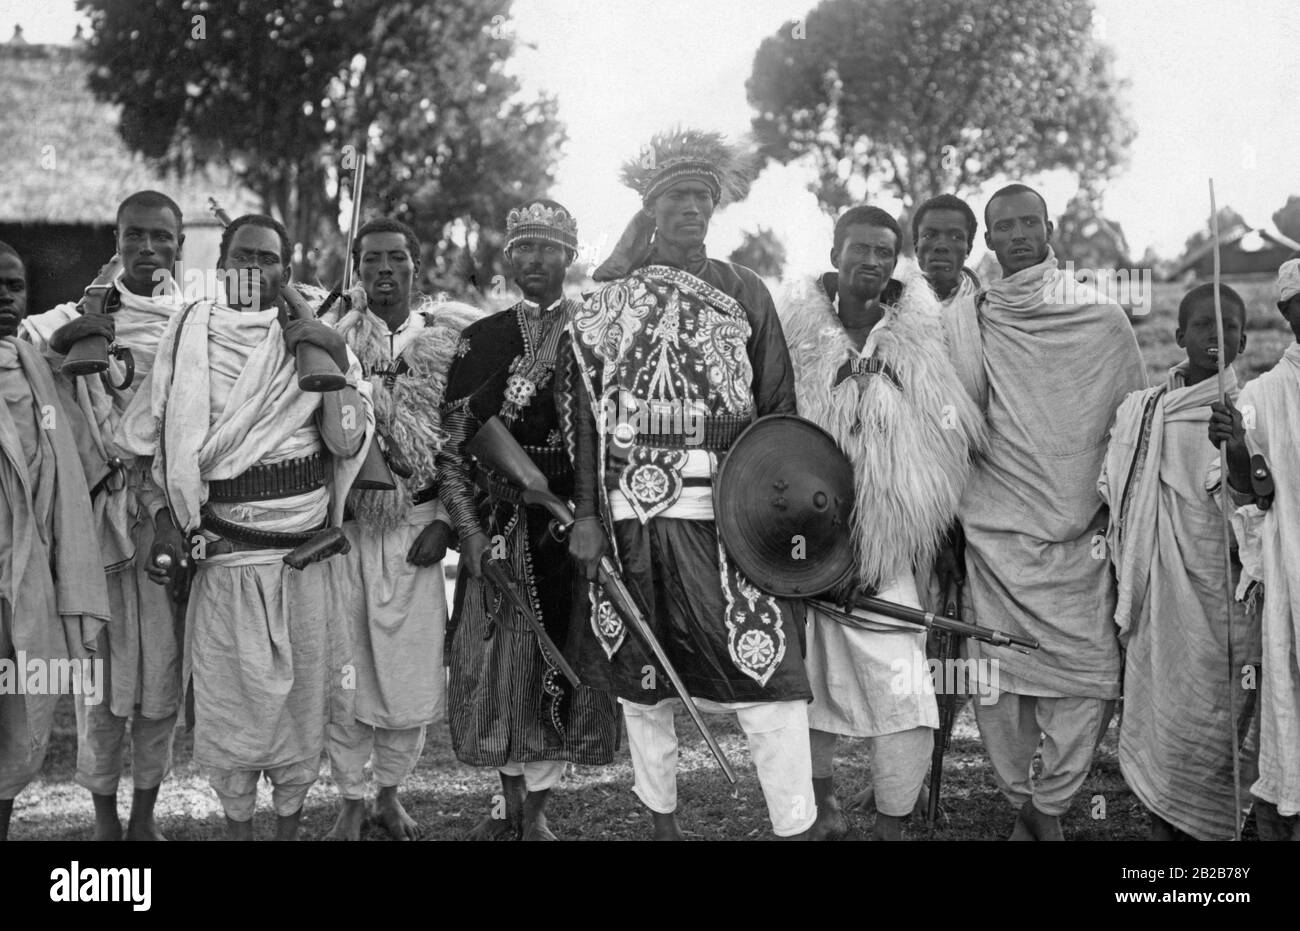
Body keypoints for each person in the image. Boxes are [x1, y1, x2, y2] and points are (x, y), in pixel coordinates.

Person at [567, 129, 816, 840]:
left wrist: (780, 510)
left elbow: (778, 407)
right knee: (644, 682)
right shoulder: (614, 297)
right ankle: (661, 825)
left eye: (703, 198)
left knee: (770, 674)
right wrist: (586, 512)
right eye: (677, 197)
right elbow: (584, 408)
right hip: (629, 509)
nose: (693, 209)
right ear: (651, 207)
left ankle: (794, 825)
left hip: (729, 505)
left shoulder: (744, 289)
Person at [115, 214, 372, 840]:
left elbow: (345, 440)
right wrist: (169, 526)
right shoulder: (189, 332)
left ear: (287, 269)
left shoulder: (317, 338)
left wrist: (332, 354)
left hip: (305, 562)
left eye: (267, 258)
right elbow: (156, 446)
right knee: (232, 714)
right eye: (241, 256)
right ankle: (237, 832)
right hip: (226, 561)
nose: (253, 269)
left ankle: (285, 830)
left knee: (301, 708)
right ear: (221, 263)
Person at [776, 205, 984, 840]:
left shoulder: (920, 334)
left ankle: (894, 822)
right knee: (802, 688)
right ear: (836, 251)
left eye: (885, 252)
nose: (872, 261)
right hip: (804, 549)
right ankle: (820, 806)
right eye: (860, 248)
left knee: (907, 697)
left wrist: (919, 518)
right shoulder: (795, 329)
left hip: (889, 549)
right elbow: (772, 426)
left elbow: (950, 435)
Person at [949, 183, 1146, 840]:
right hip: (996, 535)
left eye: (1029, 222)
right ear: (989, 238)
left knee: (1087, 679)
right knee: (1001, 689)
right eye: (1004, 226)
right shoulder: (972, 318)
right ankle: (1022, 804)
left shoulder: (1101, 318)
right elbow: (956, 419)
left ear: (1049, 226)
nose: (1019, 234)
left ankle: (1050, 805)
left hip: (1081, 539)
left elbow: (1128, 426)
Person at [438, 200, 619, 841]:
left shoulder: (599, 333)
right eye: (525, 248)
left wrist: (593, 516)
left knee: (567, 666)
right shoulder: (480, 339)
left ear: (570, 257)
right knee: (499, 670)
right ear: (509, 258)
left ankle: (537, 813)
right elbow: (454, 451)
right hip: (504, 525)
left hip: (575, 524)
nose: (537, 260)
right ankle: (509, 805)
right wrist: (472, 533)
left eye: (550, 248)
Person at [20, 190, 185, 841]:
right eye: (135, 235)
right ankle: (105, 822)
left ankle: (145, 819)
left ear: (179, 246)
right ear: (116, 241)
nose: (147, 248)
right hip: (94, 530)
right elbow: (25, 351)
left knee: (162, 680)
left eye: (161, 237)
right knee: (97, 685)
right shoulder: (72, 315)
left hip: (165, 524)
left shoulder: (191, 323)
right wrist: (79, 334)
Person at [319, 218, 475, 841]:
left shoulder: (448, 340)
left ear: (415, 266)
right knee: (346, 667)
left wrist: (445, 523)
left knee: (408, 669)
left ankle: (389, 793)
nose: (385, 270)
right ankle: (351, 800)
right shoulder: (334, 340)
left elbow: (464, 445)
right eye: (372, 260)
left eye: (397, 259)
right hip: (350, 529)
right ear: (357, 269)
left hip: (417, 528)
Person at [1100, 283, 1260, 840]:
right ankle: (1161, 827)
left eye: (1230, 328)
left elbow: (1257, 508)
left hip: (1223, 597)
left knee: (1217, 717)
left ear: (1245, 339)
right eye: (1203, 328)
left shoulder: (1250, 412)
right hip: (1157, 592)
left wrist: (1237, 449)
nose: (1218, 338)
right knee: (1161, 713)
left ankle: (1209, 833)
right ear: (1179, 336)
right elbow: (1113, 488)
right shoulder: (1144, 410)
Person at [0, 241, 111, 841]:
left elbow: (80, 464)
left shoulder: (36, 368)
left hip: (27, 577)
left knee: (17, 720)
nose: (4, 297)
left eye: (14, 286)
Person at [1209, 257, 1300, 840]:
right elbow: (1248, 494)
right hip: (1293, 572)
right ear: (1289, 314)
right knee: (1285, 713)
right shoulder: (1264, 397)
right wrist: (1238, 448)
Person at [913, 193, 981, 306]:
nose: (941, 246)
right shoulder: (888, 308)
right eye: (929, 236)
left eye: (955, 237)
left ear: (968, 249)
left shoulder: (990, 313)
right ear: (916, 247)